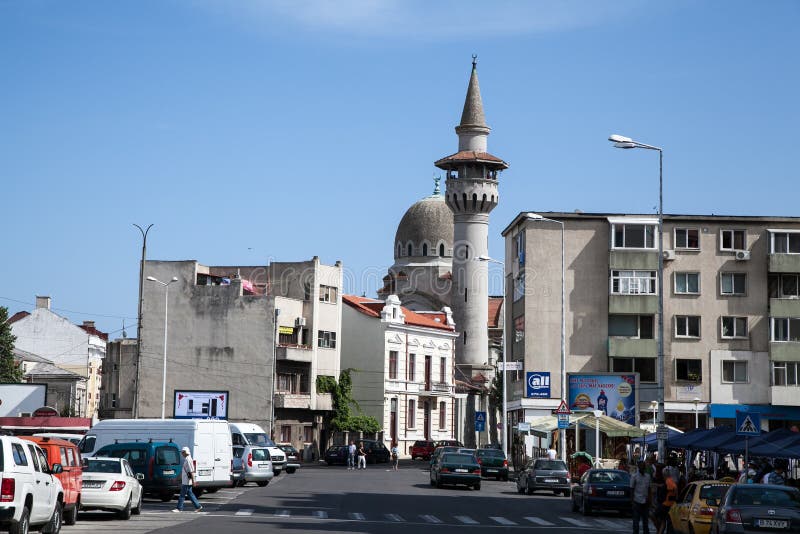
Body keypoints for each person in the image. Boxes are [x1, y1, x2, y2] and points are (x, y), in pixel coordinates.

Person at [173, 447, 203, 513]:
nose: (182, 453)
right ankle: (198, 506)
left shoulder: (188, 459)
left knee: (182, 495)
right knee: (190, 494)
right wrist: (177, 478)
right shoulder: (187, 459)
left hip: (187, 481)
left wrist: (193, 481)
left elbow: (191, 471)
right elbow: (184, 471)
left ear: (186, 452)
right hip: (185, 480)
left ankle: (179, 508)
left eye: (183, 452)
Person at [631, 461, 652, 534]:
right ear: (638, 467)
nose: (643, 467)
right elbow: (632, 489)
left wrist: (650, 499)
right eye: (641, 466)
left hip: (645, 502)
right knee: (636, 522)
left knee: (645, 522)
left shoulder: (648, 476)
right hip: (637, 501)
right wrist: (632, 501)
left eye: (644, 466)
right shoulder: (634, 476)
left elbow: (649, 489)